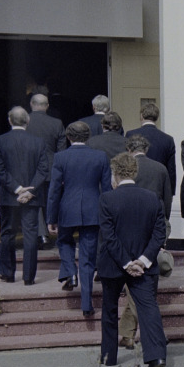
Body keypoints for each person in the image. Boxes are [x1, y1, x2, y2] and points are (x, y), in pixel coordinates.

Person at [96, 152, 168, 367]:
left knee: (109, 309)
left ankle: (108, 356)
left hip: (113, 264)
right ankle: (156, 357)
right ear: (134, 172)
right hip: (144, 264)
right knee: (148, 308)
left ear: (115, 174)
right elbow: (159, 234)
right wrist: (143, 260)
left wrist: (127, 263)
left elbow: (109, 236)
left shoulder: (107, 198)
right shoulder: (152, 198)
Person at [45, 121, 111, 313]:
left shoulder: (60, 157)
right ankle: (86, 304)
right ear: (88, 136)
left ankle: (70, 272)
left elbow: (54, 190)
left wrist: (51, 217)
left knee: (64, 242)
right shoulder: (100, 156)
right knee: (88, 258)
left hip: (67, 208)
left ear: (68, 137)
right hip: (93, 209)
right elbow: (106, 190)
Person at [0, 107, 51, 285]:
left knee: (8, 234)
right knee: (30, 235)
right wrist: (29, 191)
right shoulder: (39, 142)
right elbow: (43, 170)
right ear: (27, 121)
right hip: (32, 196)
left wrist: (17, 189)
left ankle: (8, 272)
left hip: (9, 196)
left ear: (10, 121)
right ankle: (28, 277)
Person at [25, 94, 65, 246]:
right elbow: (61, 151)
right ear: (47, 106)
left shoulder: (25, 122)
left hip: (31, 168)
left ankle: (42, 235)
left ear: (31, 104)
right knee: (52, 200)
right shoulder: (57, 123)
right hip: (51, 168)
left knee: (34, 202)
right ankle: (55, 230)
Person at [126, 102, 177, 189]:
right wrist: (170, 192)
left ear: (141, 116)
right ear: (157, 117)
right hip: (157, 186)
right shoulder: (168, 139)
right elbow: (171, 170)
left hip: (135, 185)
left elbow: (126, 161)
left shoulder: (130, 134)